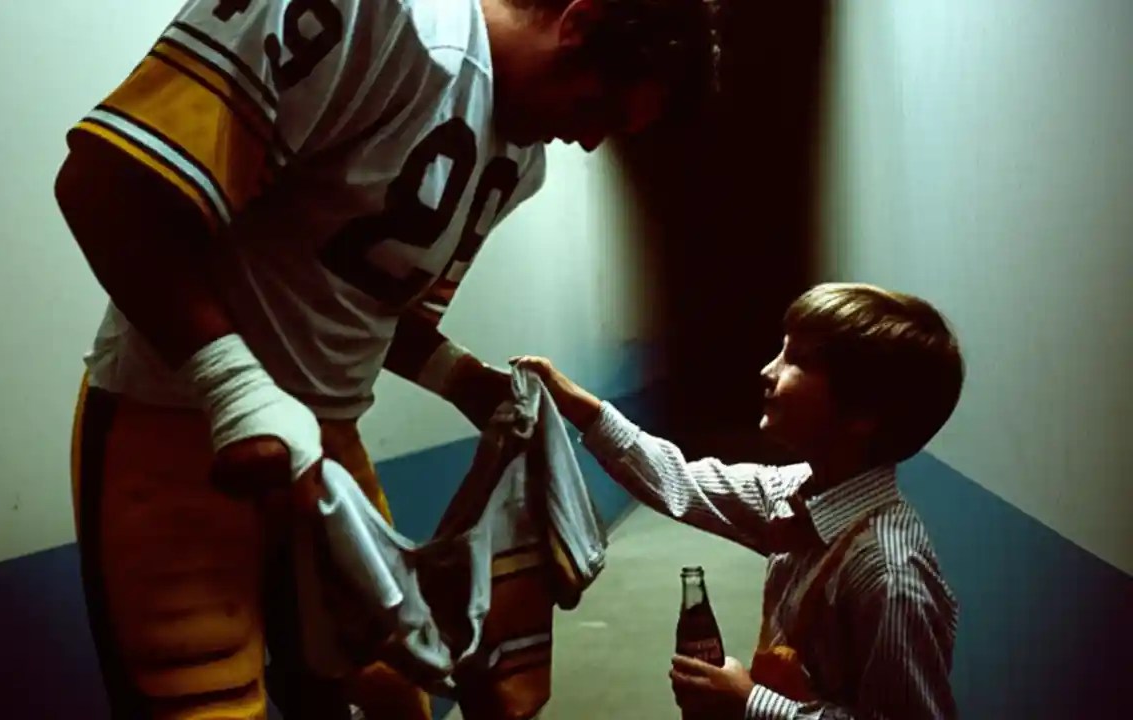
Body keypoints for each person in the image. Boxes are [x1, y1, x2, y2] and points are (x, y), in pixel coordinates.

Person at [54, 0, 715, 718]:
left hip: (326, 440)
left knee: (395, 690)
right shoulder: (379, 17)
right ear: (578, 21)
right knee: (203, 695)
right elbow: (104, 183)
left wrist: (462, 379)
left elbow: (367, 303)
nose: (587, 141)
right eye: (598, 106)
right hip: (174, 418)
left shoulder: (518, 158)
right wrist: (234, 386)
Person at [514, 281, 964, 719]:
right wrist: (573, 401)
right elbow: (680, 481)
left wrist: (750, 702)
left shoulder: (887, 572)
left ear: (863, 414)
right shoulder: (793, 494)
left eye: (797, 361)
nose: (767, 371)